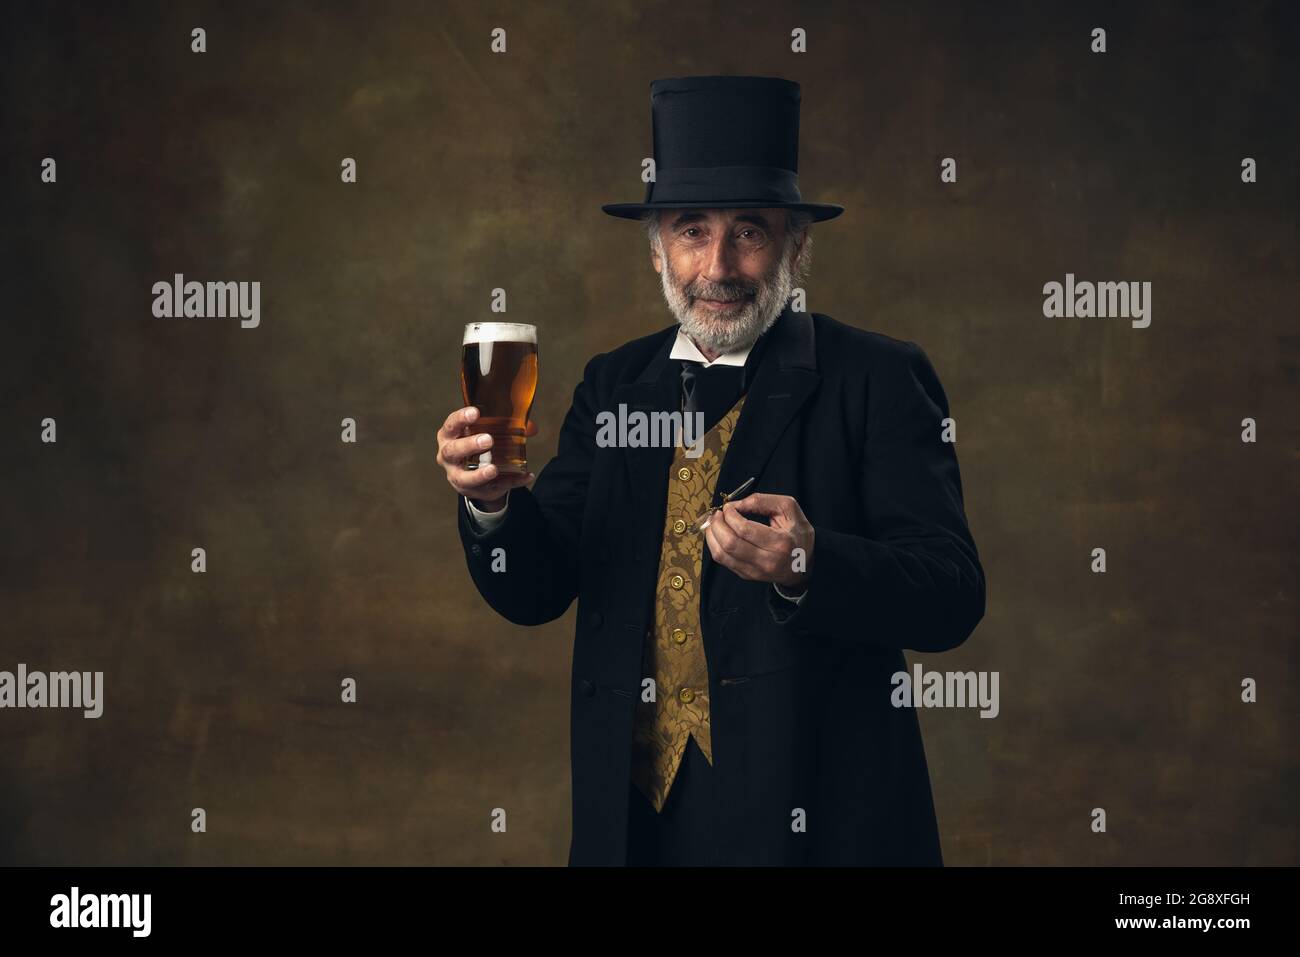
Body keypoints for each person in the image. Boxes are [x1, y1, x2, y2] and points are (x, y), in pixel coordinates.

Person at [437, 75, 985, 865]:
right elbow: (535, 588)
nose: (718, 265)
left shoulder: (878, 377)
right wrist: (492, 507)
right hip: (634, 831)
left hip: (815, 830)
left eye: (749, 231)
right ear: (657, 247)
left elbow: (952, 594)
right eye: (692, 231)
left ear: (797, 246)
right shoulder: (613, 384)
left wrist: (810, 563)